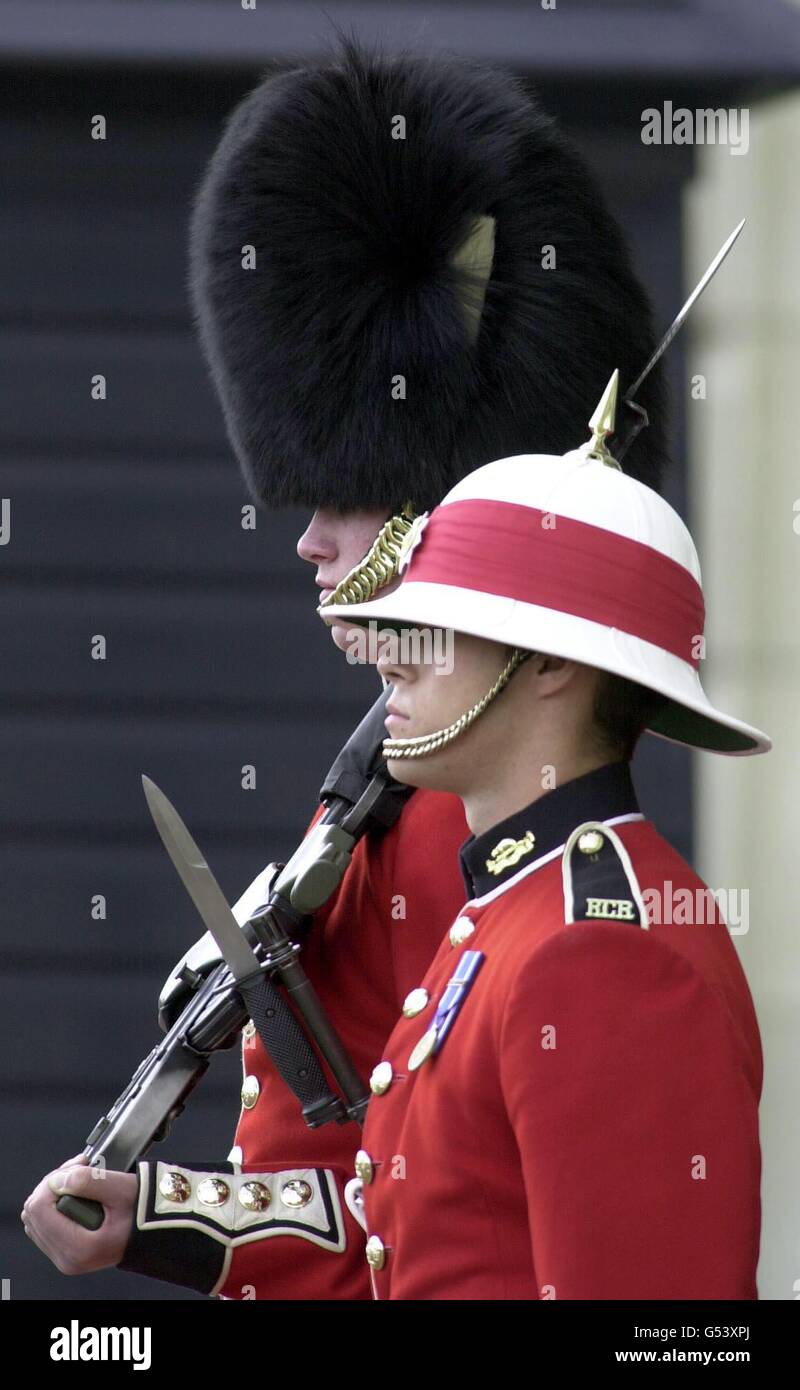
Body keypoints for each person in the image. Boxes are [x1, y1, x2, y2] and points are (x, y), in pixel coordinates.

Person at [21, 38, 668, 1299]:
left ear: (441, 509)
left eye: (351, 487)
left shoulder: (466, 826)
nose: (307, 531)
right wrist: (164, 1218)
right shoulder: (397, 772)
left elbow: (419, 1218)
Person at [320, 373, 769, 1300]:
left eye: (440, 628)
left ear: (554, 664)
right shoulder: (512, 909)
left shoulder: (599, 951)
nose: (394, 656)